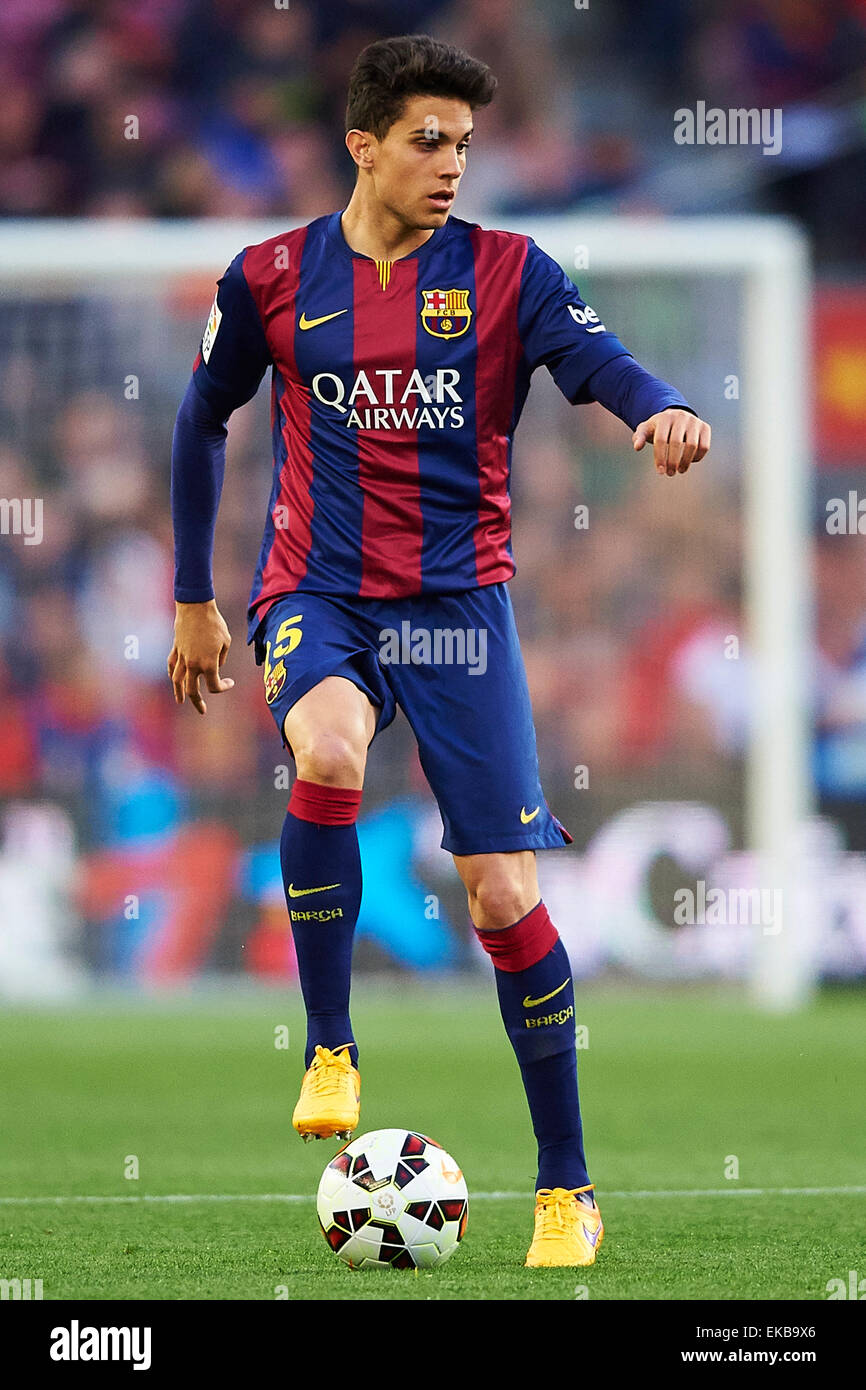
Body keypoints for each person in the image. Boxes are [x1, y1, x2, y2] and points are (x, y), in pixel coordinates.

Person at [168, 33, 711, 1268]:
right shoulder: (266, 276)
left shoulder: (511, 272)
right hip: (317, 589)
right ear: (361, 144)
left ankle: (565, 1187)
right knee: (329, 745)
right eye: (427, 140)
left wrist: (659, 406)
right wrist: (195, 600)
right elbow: (203, 418)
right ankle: (329, 1041)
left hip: (460, 611)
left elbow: (596, 360)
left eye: (463, 143)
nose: (450, 164)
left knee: (503, 894)